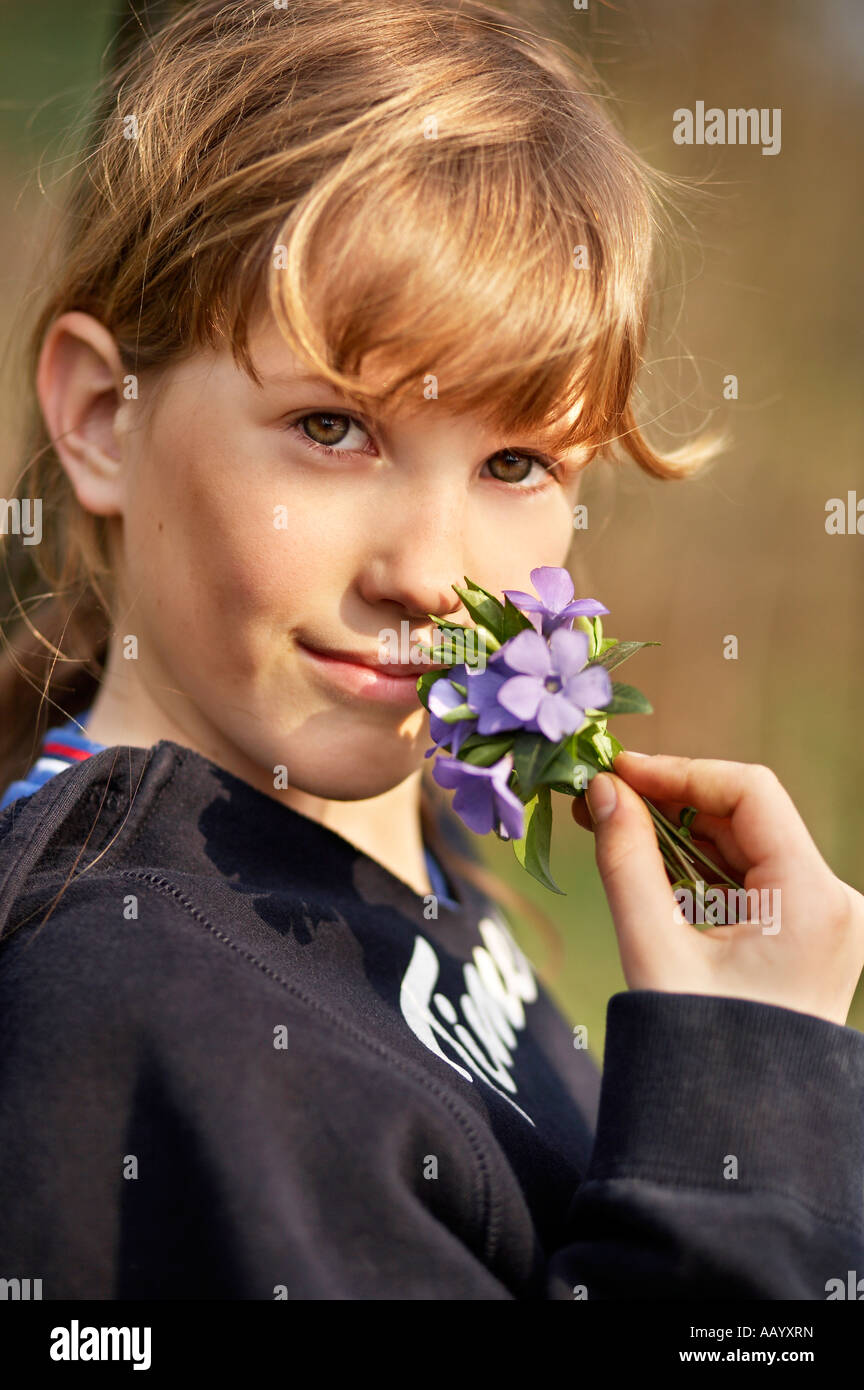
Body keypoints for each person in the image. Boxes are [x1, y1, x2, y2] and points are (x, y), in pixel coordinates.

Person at [0, 0, 862, 1301]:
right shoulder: (150, 1012)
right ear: (100, 418)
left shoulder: (408, 853)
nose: (431, 573)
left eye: (517, 459)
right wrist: (742, 1121)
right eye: (332, 428)